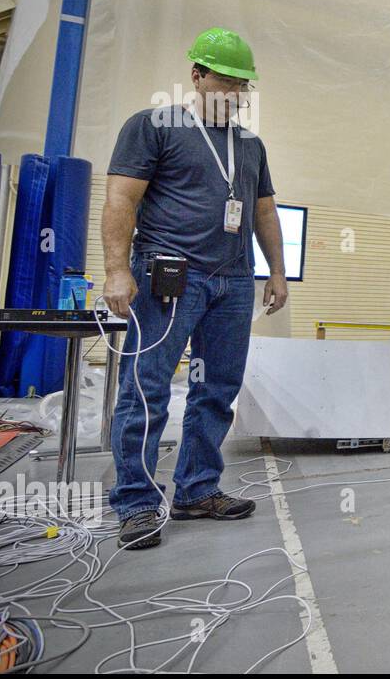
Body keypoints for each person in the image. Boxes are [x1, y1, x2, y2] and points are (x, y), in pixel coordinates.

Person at [101, 28, 289, 549]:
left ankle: (197, 489)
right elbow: (121, 200)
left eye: (241, 86)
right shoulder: (152, 126)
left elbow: (262, 209)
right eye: (224, 81)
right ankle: (136, 502)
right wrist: (118, 269)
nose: (233, 93)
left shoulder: (250, 144)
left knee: (217, 390)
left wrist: (275, 270)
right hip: (170, 274)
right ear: (197, 76)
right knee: (147, 387)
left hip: (232, 281)